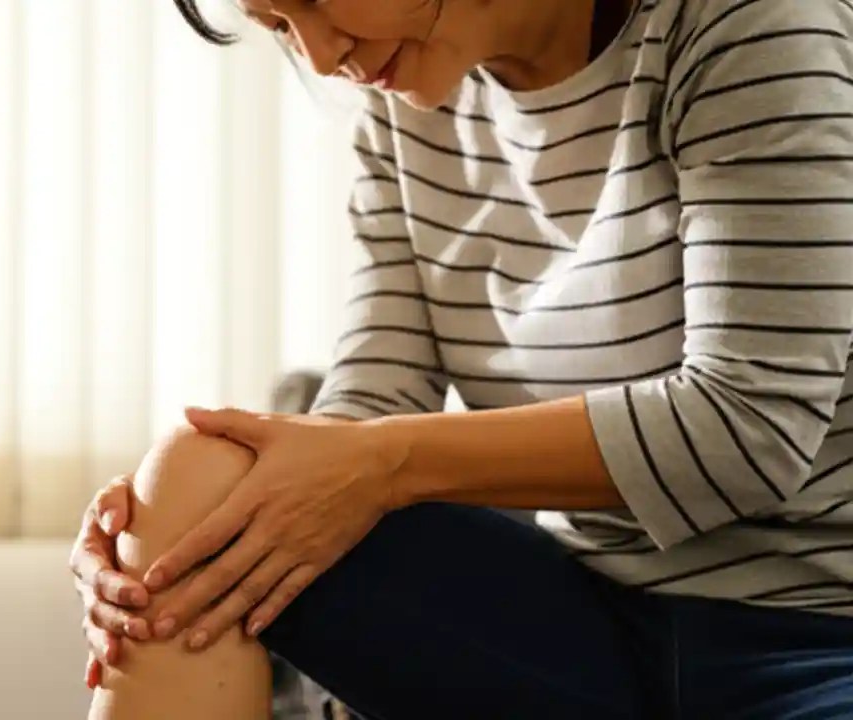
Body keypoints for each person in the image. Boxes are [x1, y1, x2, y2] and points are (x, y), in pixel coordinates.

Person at [69, 0, 853, 717]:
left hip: (821, 638)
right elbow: (363, 412)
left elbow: (749, 430)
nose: (317, 54)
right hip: (585, 618)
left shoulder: (749, 24)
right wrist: (163, 524)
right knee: (198, 484)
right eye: (278, 22)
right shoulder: (407, 103)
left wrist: (389, 462)